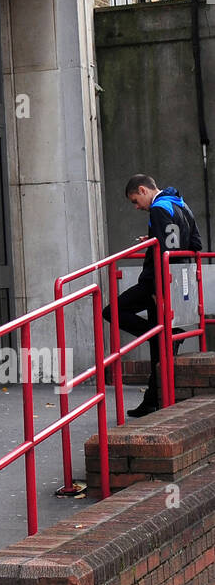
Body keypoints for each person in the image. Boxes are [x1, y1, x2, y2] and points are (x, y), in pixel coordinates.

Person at [103, 176, 202, 417]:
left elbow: (167, 251)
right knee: (158, 341)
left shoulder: (158, 208)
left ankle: (154, 398)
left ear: (143, 189)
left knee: (112, 311)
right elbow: (194, 243)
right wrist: (153, 240)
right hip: (179, 280)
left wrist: (159, 288)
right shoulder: (181, 204)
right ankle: (152, 399)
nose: (137, 207)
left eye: (136, 201)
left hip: (157, 283)